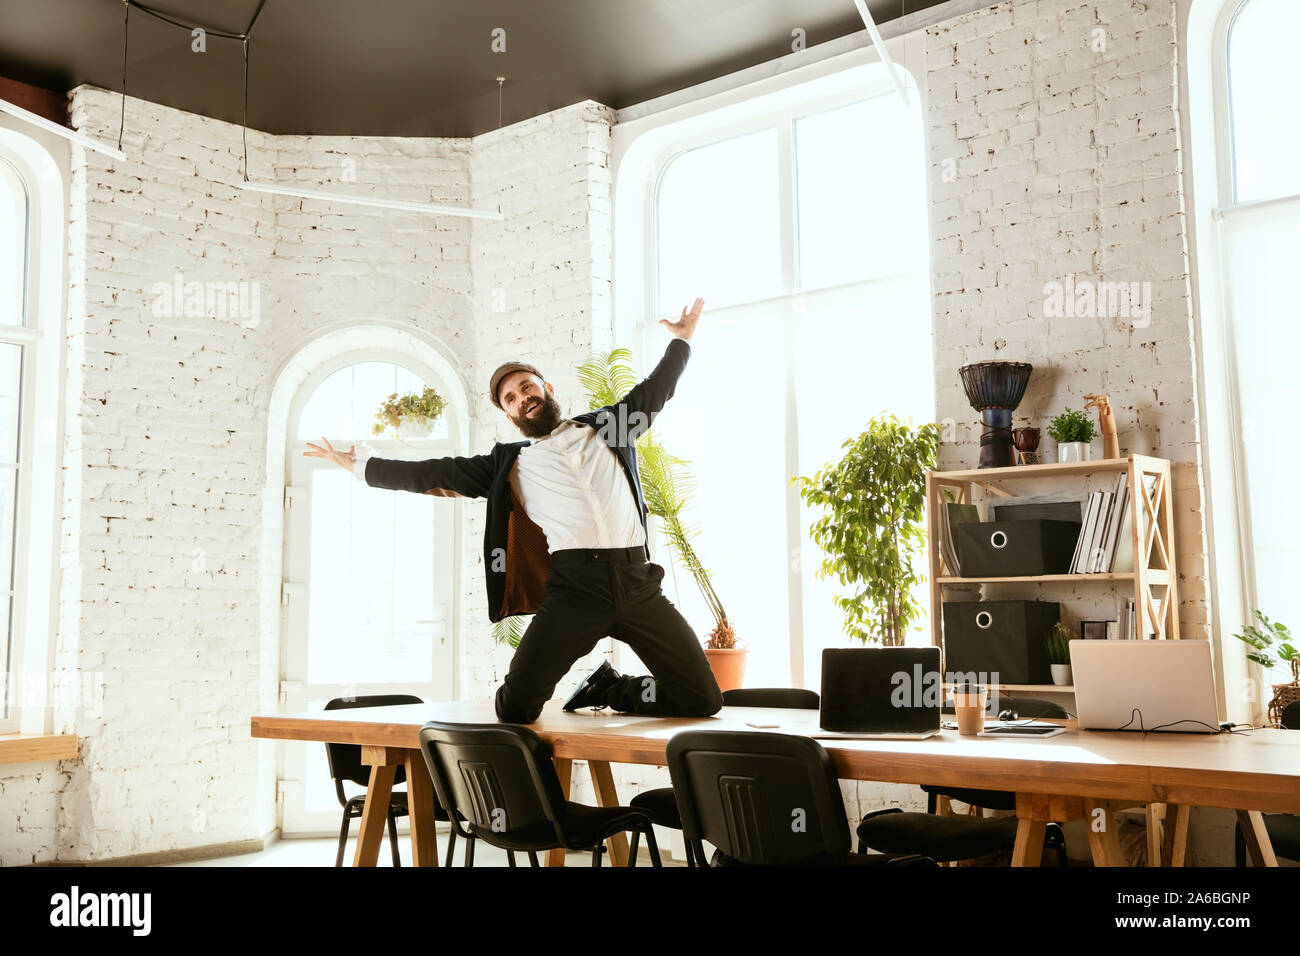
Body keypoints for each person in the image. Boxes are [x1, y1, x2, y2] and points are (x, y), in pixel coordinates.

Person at [304, 297, 722, 724]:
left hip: (638, 585)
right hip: (575, 589)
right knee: (517, 708)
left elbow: (656, 388)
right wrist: (358, 465)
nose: (522, 397)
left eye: (527, 387)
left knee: (702, 698)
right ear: (509, 415)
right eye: (510, 398)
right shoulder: (510, 466)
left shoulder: (611, 426)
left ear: (547, 390)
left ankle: (612, 688)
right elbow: (431, 472)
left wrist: (682, 341)